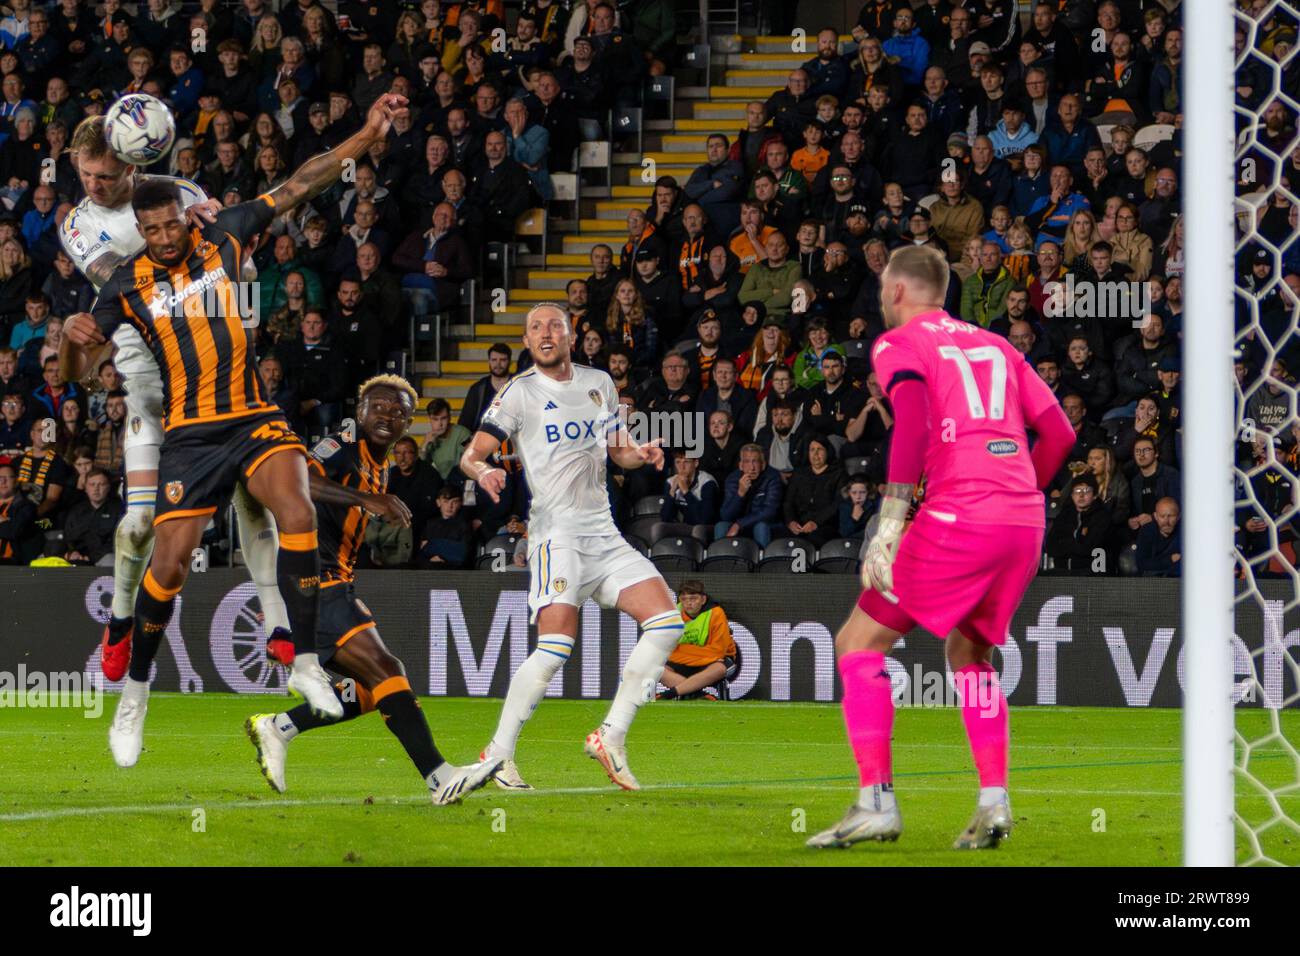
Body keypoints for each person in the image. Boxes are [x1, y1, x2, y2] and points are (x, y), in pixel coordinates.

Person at [63, 92, 413, 768]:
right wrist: (77, 343)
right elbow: (81, 368)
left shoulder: (223, 233)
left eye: (172, 226)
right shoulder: (125, 284)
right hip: (190, 435)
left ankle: (305, 662)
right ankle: (134, 696)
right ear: (141, 226)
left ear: (183, 217)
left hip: (252, 417)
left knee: (296, 507)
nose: (166, 238)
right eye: (154, 230)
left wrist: (367, 134)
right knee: (166, 570)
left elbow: (300, 181)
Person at [807, 245, 1073, 851]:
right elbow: (1059, 432)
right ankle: (993, 802)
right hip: (1022, 521)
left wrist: (891, 520)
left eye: (883, 290)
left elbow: (916, 423)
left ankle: (875, 801)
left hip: (960, 514)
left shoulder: (899, 343)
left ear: (898, 291)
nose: (881, 300)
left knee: (857, 643)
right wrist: (1018, 490)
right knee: (969, 656)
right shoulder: (998, 344)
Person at [56, 113, 293, 695]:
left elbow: (231, 256)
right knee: (139, 522)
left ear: (134, 165)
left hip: (214, 364)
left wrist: (218, 236)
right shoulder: (78, 225)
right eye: (88, 174)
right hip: (146, 373)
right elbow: (131, 279)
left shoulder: (183, 195)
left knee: (250, 492)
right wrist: (190, 232)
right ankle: (119, 621)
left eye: (108, 175)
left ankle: (279, 617)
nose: (96, 185)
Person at [461, 302, 684, 792]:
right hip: (556, 534)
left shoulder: (599, 383)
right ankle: (497, 754)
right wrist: (487, 471)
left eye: (554, 326)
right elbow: (470, 455)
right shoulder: (517, 393)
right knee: (556, 648)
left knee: (668, 622)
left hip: (603, 533)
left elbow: (618, 450)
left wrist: (640, 454)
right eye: (535, 327)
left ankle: (611, 735)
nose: (545, 333)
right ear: (525, 341)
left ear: (571, 334)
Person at [245, 376, 499, 804]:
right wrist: (365, 500)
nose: (387, 415)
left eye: (398, 411)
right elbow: (295, 482)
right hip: (314, 577)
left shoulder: (378, 462)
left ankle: (278, 727)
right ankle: (439, 778)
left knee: (369, 688)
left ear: (408, 424)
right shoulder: (342, 446)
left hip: (335, 579)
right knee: (387, 671)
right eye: (378, 406)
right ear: (359, 411)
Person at [657, 580, 738, 701]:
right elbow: (668, 649)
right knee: (657, 670)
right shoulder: (674, 614)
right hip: (693, 660)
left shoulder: (716, 613)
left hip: (716, 661)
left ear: (703, 600)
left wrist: (682, 651)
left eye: (693, 598)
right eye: (684, 599)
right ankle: (699, 695)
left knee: (719, 669)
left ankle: (669, 694)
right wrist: (693, 653)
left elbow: (718, 652)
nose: (688, 603)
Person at [714, 443, 783, 548]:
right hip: (740, 526)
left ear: (763, 464)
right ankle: (721, 561)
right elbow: (726, 515)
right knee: (721, 526)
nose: (752, 467)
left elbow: (770, 511)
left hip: (765, 524)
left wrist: (740, 524)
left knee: (760, 527)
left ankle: (763, 563)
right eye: (747, 461)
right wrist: (740, 493)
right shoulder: (732, 479)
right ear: (741, 465)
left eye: (755, 461)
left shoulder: (772, 477)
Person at [61, 466, 119, 565]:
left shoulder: (117, 510)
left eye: (101, 484)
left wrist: (91, 557)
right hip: (78, 558)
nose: (96, 489)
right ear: (86, 488)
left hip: (103, 558)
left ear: (108, 487)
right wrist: (72, 552)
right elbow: (68, 537)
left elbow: (116, 543)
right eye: (92, 484)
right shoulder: (76, 511)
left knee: (110, 560)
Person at [1135, 496, 1180, 577]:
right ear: (1155, 516)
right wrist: (1170, 559)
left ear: (1178, 516)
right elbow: (1141, 563)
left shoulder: (1185, 533)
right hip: (1151, 582)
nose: (1166, 521)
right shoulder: (1147, 531)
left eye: (1171, 516)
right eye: (1162, 516)